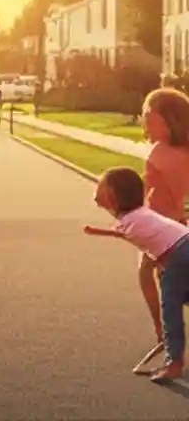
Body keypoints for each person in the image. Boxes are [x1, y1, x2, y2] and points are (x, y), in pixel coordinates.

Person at [85, 167, 189, 383]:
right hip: (181, 247)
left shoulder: (131, 221)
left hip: (177, 254)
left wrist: (96, 231)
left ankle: (174, 362)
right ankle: (174, 356)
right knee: (182, 297)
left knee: (170, 306)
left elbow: (122, 232)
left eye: (100, 185)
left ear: (112, 195)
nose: (96, 189)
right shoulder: (137, 215)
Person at [132, 88, 189, 373]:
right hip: (176, 224)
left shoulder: (161, 155)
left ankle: (165, 338)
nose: (144, 122)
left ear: (169, 120)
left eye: (149, 117)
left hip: (161, 228)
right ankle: (167, 337)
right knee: (170, 281)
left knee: (160, 281)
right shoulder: (181, 151)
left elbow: (152, 196)